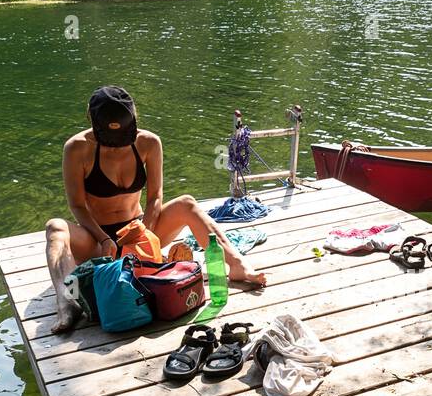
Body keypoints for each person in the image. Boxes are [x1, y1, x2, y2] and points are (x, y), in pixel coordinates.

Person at [45, 85, 266, 334]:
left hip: (140, 230)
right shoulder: (76, 148)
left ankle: (236, 264)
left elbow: (155, 196)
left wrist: (145, 231)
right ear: (93, 122)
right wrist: (104, 239)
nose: (116, 145)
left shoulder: (149, 143)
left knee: (187, 203)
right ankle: (66, 301)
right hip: (97, 240)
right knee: (55, 227)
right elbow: (76, 205)